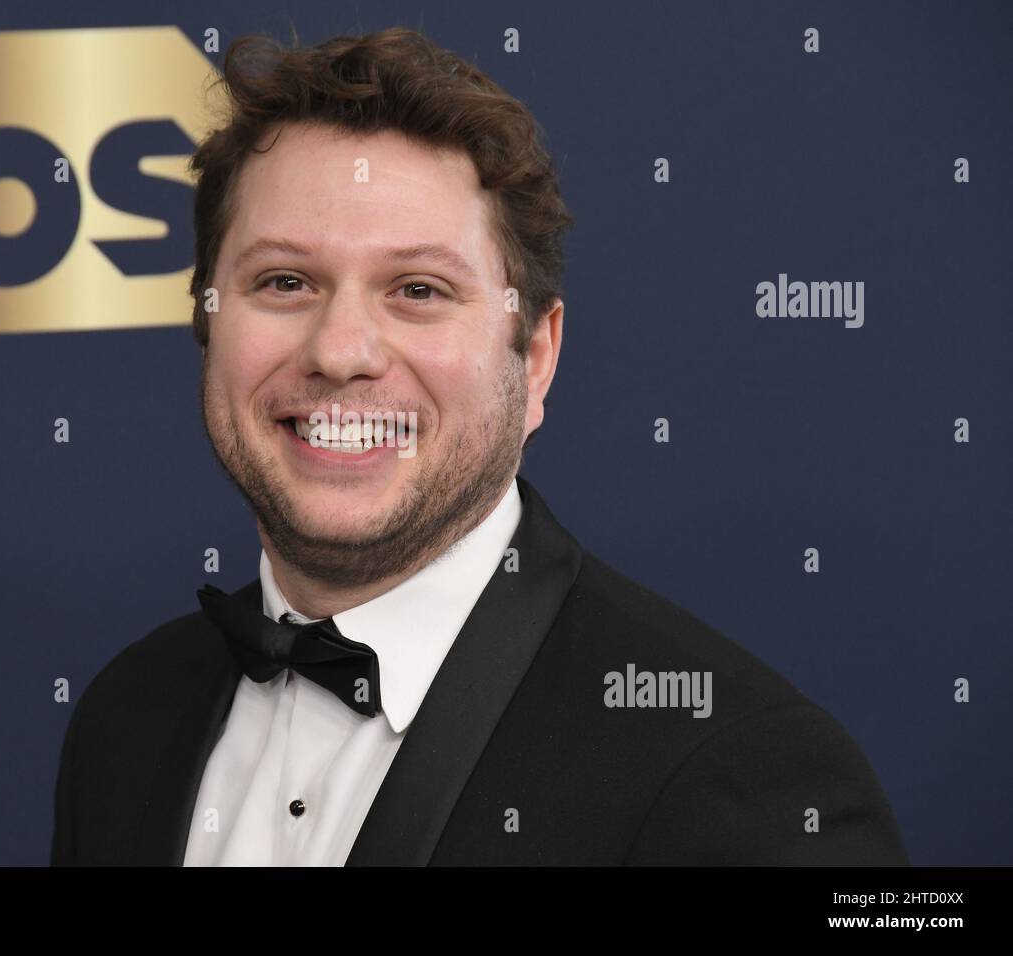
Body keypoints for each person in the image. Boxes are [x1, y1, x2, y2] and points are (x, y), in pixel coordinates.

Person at [50, 27, 908, 866]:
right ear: (205, 319)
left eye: (418, 290)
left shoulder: (737, 775)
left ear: (534, 357)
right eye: (284, 281)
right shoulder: (127, 717)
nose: (341, 351)